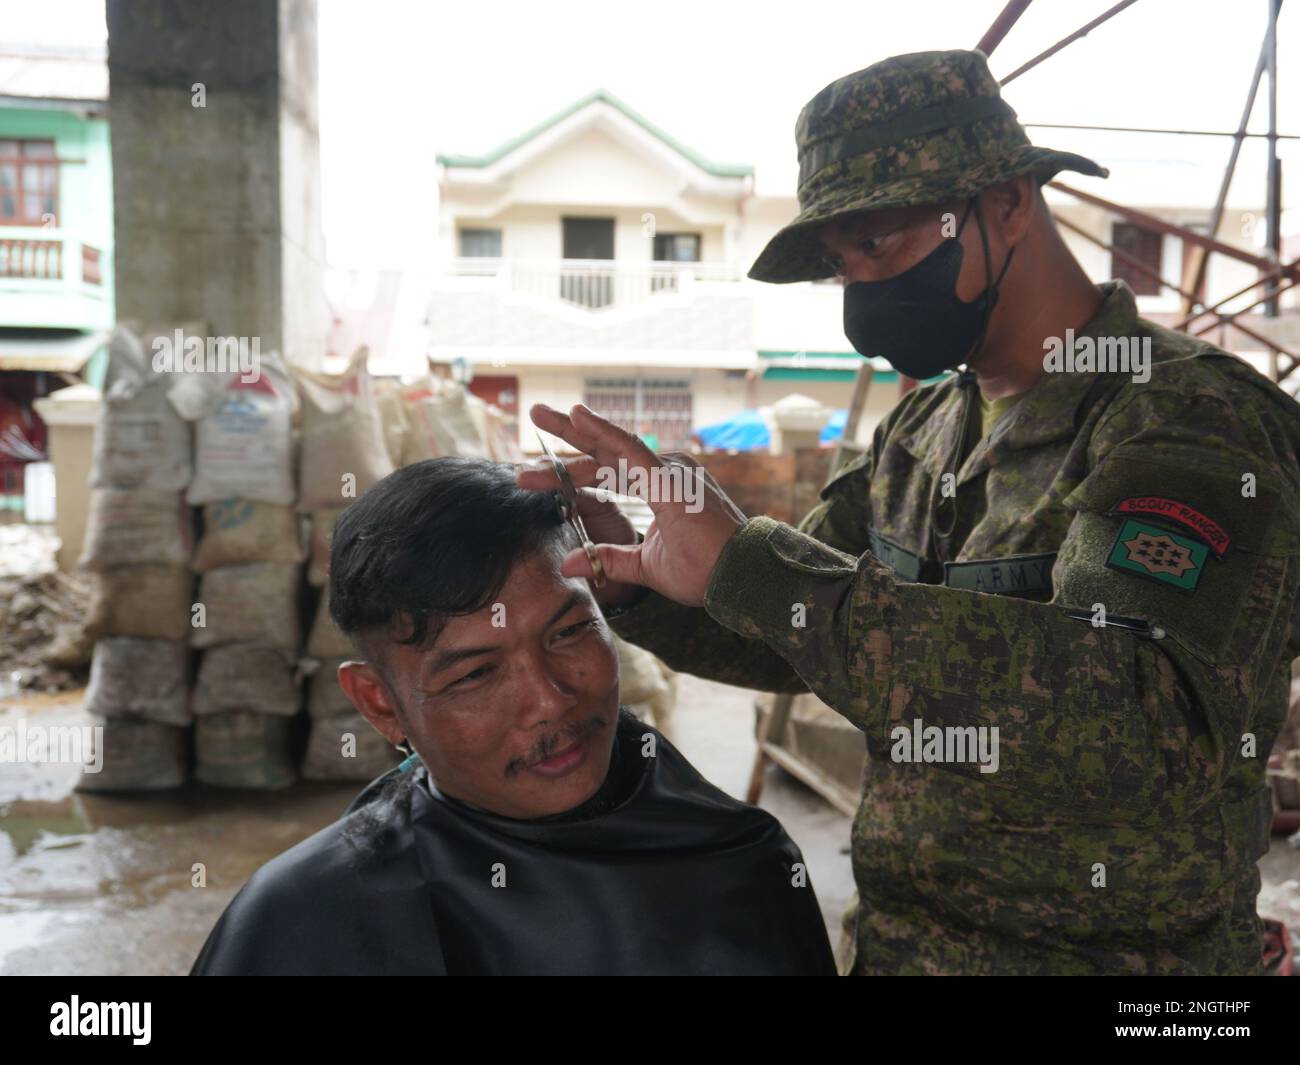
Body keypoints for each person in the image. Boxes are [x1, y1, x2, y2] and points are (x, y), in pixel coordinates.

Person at [518, 49, 1300, 975]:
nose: (862, 296)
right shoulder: (923, 432)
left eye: (880, 245)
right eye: (841, 268)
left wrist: (753, 567)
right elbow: (792, 632)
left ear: (1007, 201)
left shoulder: (1185, 420)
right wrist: (632, 572)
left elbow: (1144, 719)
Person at [191, 457, 835, 976]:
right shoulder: (304, 920)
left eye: (572, 631)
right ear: (379, 703)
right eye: (475, 673)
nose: (551, 700)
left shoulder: (739, 863)